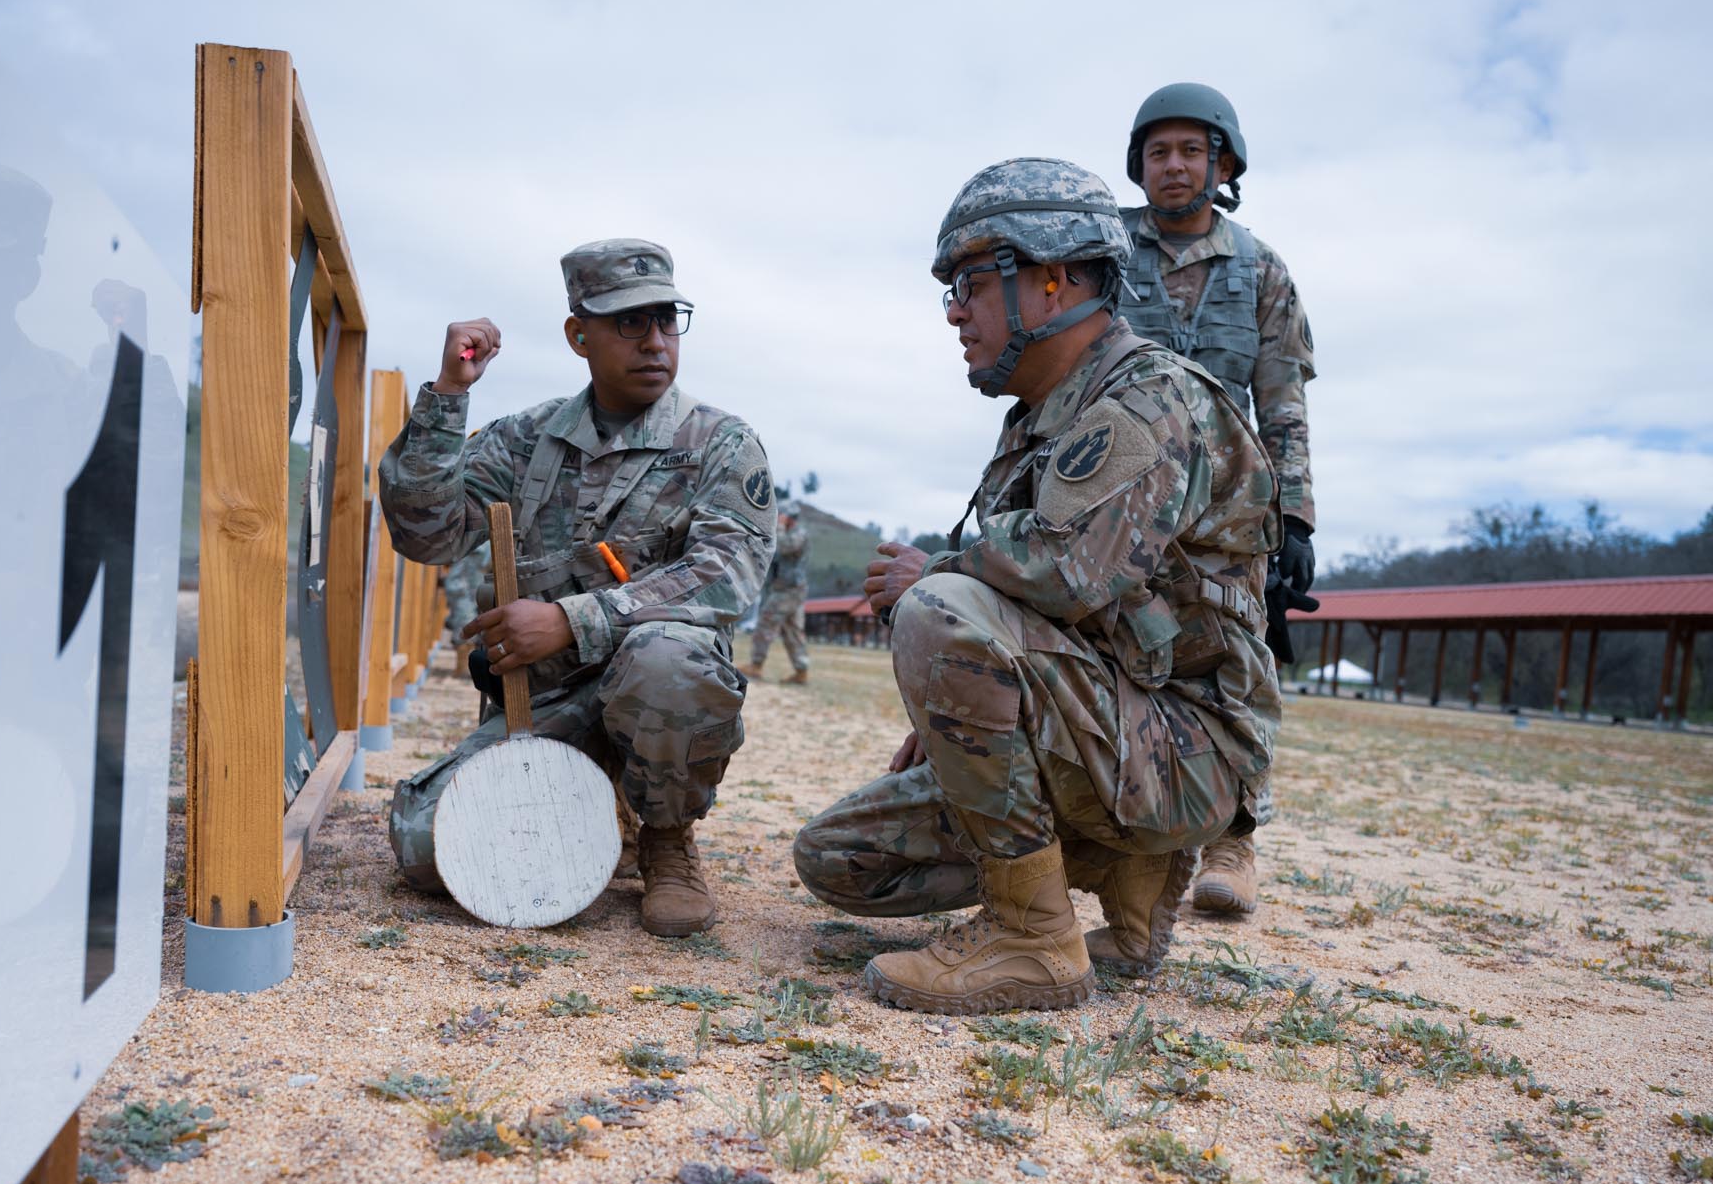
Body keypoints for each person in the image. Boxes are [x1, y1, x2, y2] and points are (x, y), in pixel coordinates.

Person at [792, 159, 1281, 1011]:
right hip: (1114, 728)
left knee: (937, 607)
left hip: (1186, 752)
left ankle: (1034, 935)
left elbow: (1065, 571)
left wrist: (933, 590)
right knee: (841, 858)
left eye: (971, 282)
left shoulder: (1146, 402)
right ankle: (1128, 880)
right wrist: (961, 719)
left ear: (1053, 281)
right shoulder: (1043, 417)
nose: (953, 310)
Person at [379, 239, 776, 937]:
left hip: (655, 696)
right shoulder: (526, 440)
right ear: (578, 335)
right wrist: (449, 396)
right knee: (422, 844)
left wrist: (571, 619)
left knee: (670, 659)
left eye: (667, 320)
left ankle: (665, 835)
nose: (655, 341)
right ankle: (599, 798)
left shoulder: (720, 443)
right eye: (630, 323)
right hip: (546, 702)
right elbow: (426, 534)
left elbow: (727, 574)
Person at [1117, 81, 1317, 916]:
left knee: (1238, 663)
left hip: (1226, 506)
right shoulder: (1100, 249)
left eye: (1191, 150)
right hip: (1119, 493)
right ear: (1140, 166)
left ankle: (1233, 838)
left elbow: (1283, 398)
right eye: (1159, 151)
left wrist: (1296, 515)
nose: (1174, 165)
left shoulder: (1261, 270)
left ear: (1222, 162)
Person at [747, 499, 811, 684]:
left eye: (781, 516)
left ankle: (756, 665)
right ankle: (801, 671)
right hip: (787, 589)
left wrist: (780, 527)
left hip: (789, 590)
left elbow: (783, 547)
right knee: (793, 632)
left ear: (789, 517)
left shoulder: (799, 533)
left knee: (765, 624)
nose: (778, 519)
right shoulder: (790, 532)